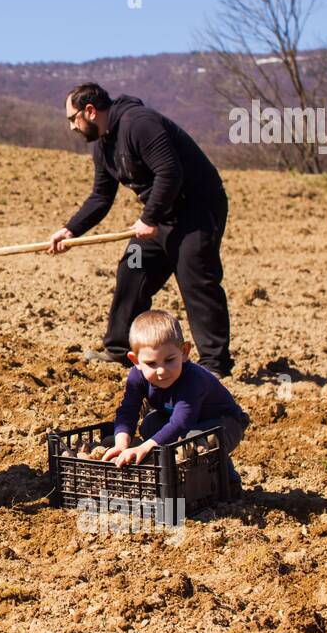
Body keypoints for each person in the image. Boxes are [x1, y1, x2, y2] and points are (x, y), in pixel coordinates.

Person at [48, 82, 235, 377]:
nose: (72, 126)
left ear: (90, 111)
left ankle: (215, 365)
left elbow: (170, 172)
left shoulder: (139, 123)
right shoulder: (104, 146)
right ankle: (120, 349)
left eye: (73, 119)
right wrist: (70, 230)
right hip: (160, 216)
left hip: (197, 211)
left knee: (196, 279)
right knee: (132, 270)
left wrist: (149, 218)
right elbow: (101, 197)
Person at [104, 310, 250, 500]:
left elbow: (181, 422)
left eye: (169, 360)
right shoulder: (137, 377)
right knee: (150, 424)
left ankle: (228, 483)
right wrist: (121, 443)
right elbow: (128, 410)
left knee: (197, 441)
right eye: (151, 363)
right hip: (184, 421)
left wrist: (144, 447)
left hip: (225, 423)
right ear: (135, 360)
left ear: (184, 352)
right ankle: (181, 479)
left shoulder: (193, 380)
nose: (161, 371)